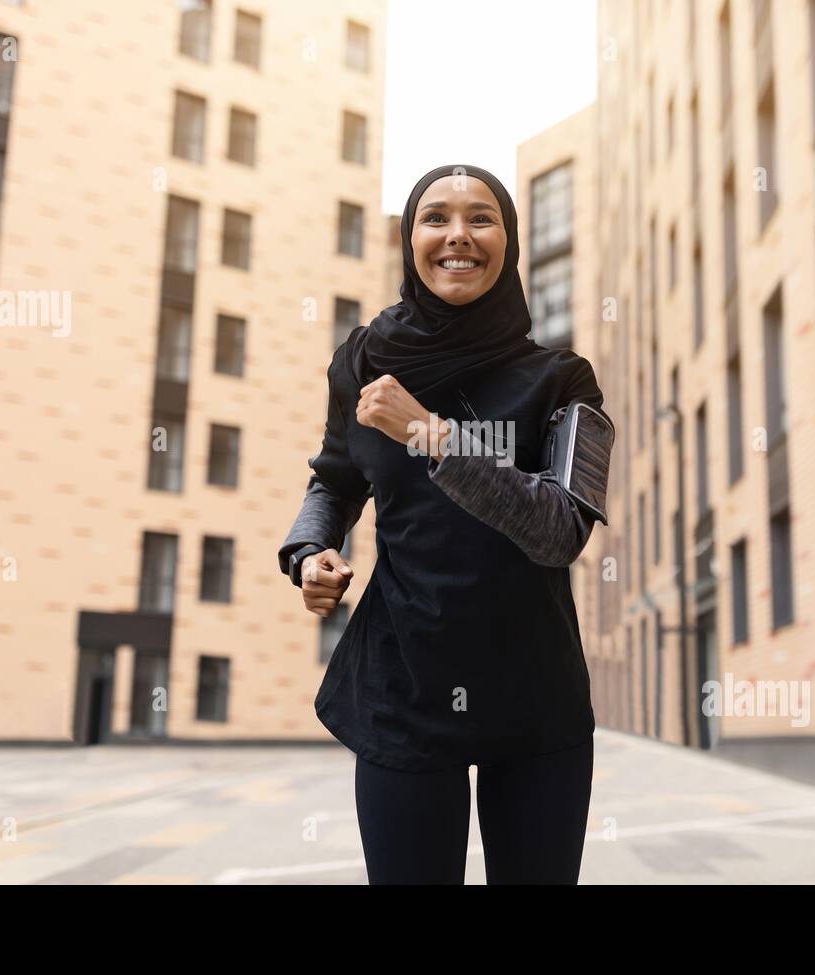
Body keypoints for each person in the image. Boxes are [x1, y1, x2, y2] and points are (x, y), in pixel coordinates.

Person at [277, 163, 615, 885]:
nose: (457, 234)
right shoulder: (362, 365)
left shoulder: (563, 379)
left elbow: (560, 529)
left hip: (536, 696)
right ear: (409, 240)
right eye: (435, 217)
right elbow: (334, 479)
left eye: (480, 217)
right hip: (404, 688)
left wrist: (432, 435)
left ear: (509, 240)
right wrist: (312, 547)